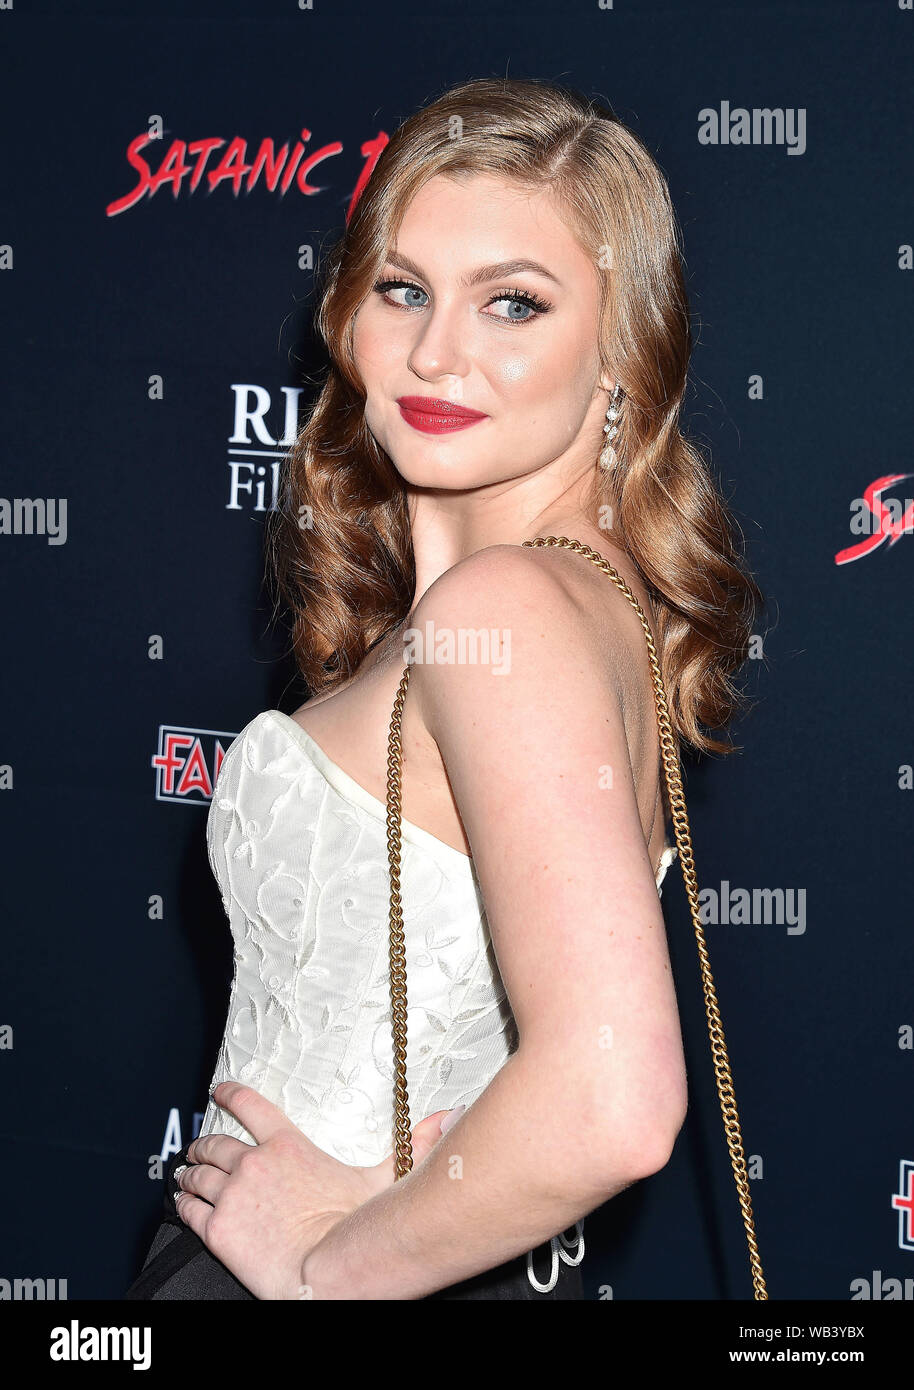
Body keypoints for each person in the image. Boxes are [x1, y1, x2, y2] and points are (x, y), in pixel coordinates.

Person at [125, 75, 762, 1301]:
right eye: (402, 288)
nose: (433, 351)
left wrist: (325, 1272)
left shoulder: (503, 613)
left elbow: (617, 1096)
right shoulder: (586, 601)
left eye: (511, 304)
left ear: (620, 352)